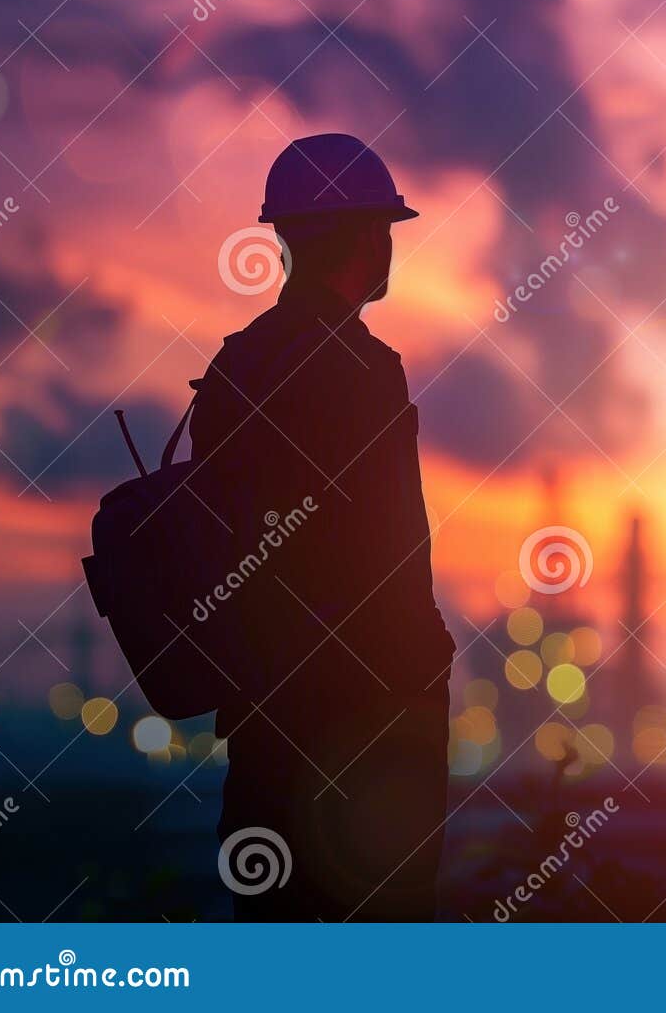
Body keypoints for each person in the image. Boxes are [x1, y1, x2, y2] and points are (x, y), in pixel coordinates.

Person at [188, 134, 454, 920]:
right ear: (370, 237)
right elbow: (397, 555)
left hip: (268, 731)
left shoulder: (235, 369)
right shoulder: (366, 373)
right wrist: (424, 672)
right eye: (386, 232)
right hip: (368, 740)